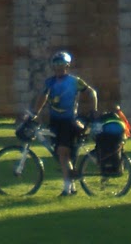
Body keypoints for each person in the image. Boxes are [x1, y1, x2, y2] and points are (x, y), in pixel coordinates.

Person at [28, 50, 97, 196]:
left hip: (68, 122)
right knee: (62, 156)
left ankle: (67, 189)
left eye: (62, 64)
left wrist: (93, 110)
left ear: (67, 66)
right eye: (56, 64)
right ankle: (71, 187)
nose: (59, 67)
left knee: (62, 153)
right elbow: (43, 97)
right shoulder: (50, 82)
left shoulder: (74, 81)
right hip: (55, 123)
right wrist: (35, 113)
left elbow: (91, 92)